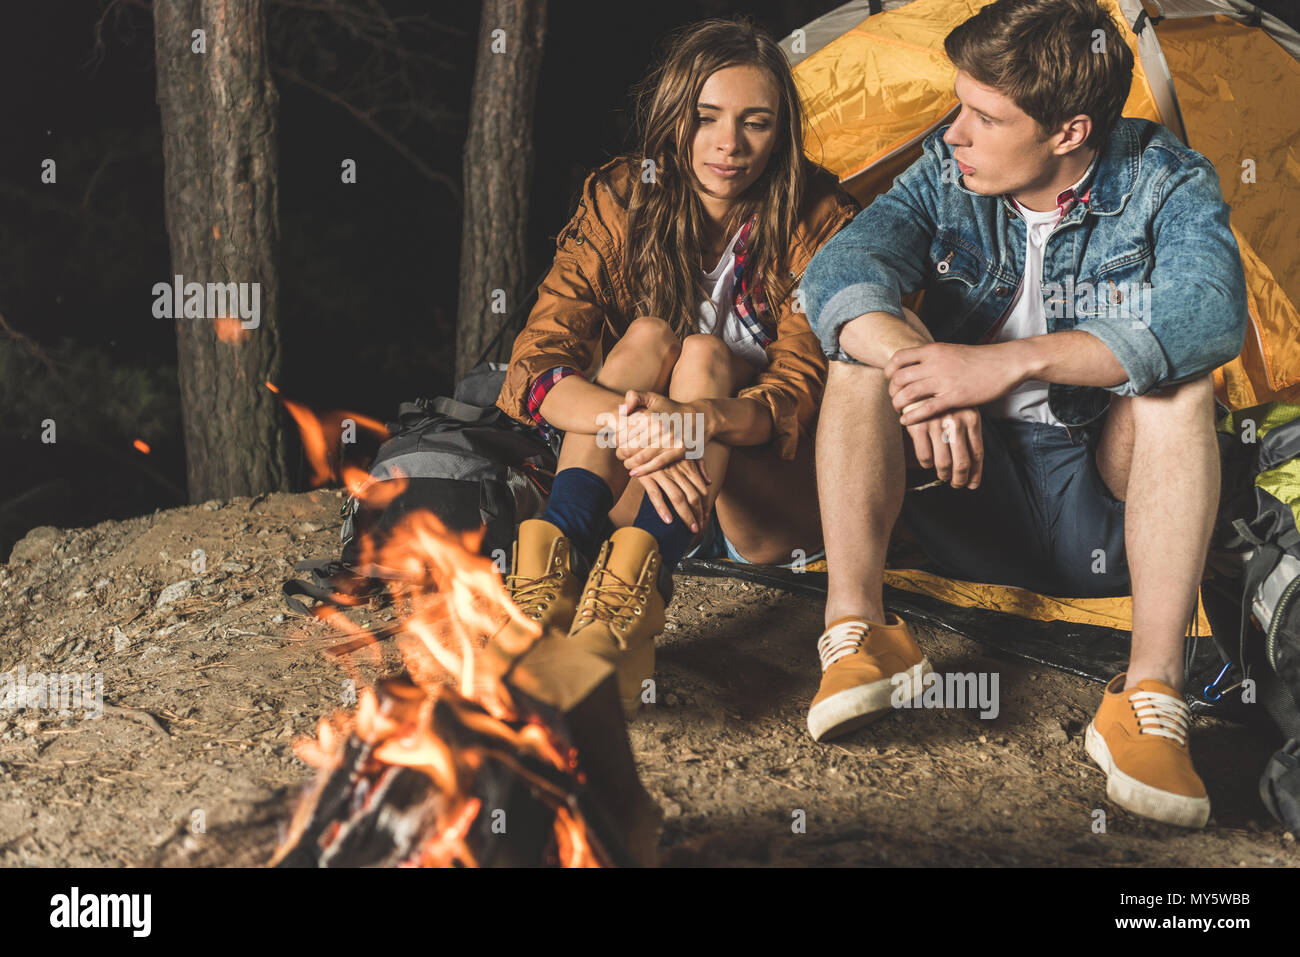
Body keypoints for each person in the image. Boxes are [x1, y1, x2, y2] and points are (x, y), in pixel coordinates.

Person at [800, 0, 1247, 828]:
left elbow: (1210, 313)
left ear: (1070, 131)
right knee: (859, 355)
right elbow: (836, 271)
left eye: (983, 116)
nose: (954, 133)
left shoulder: (1165, 178)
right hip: (966, 493)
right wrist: (919, 369)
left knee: (1181, 383)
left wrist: (999, 363)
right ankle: (860, 635)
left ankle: (1148, 694)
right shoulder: (946, 170)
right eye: (959, 106)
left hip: (1108, 520)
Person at [494, 19, 858, 715]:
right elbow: (537, 363)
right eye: (708, 118)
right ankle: (562, 587)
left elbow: (795, 396)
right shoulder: (624, 196)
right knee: (651, 338)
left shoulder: (819, 216)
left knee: (705, 354)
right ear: (675, 119)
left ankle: (627, 599)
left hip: (764, 503)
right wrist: (641, 428)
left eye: (756, 123)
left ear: (780, 132)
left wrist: (687, 423)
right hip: (645, 496)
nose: (729, 145)